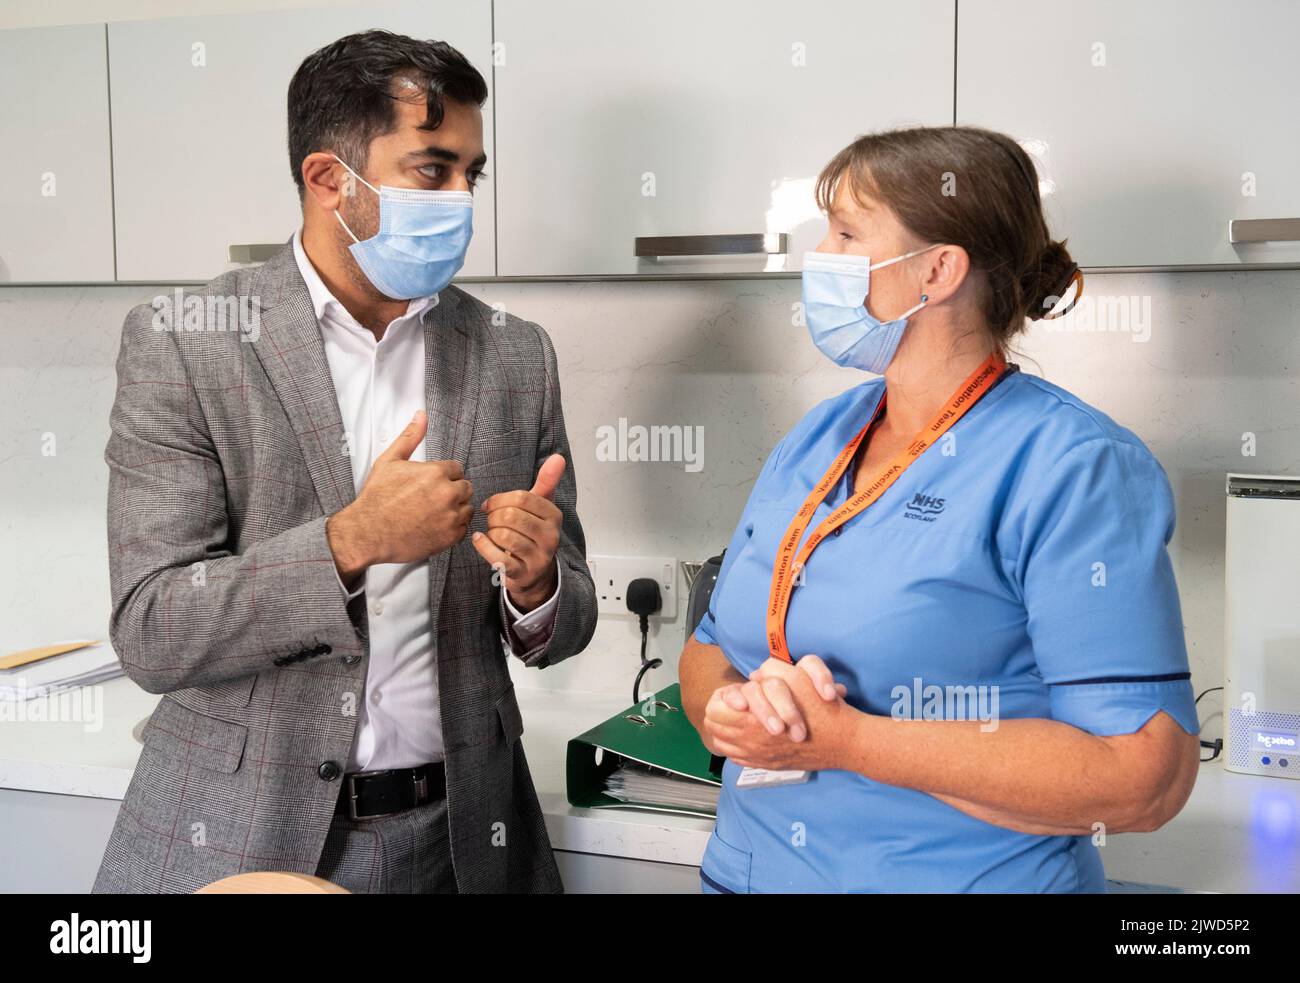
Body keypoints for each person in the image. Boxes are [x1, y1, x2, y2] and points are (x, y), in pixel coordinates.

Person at [94, 30, 596, 894]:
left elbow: (574, 614)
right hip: (242, 841)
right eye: (431, 171)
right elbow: (152, 628)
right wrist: (346, 542)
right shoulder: (186, 340)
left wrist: (539, 584)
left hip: (464, 841)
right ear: (330, 180)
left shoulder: (515, 354)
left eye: (471, 175)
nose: (460, 199)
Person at [680, 126, 1199, 893]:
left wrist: (850, 741)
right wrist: (726, 709)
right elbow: (709, 649)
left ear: (937, 269)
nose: (818, 255)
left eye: (847, 232)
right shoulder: (816, 438)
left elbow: (1144, 776)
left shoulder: (1071, 466)